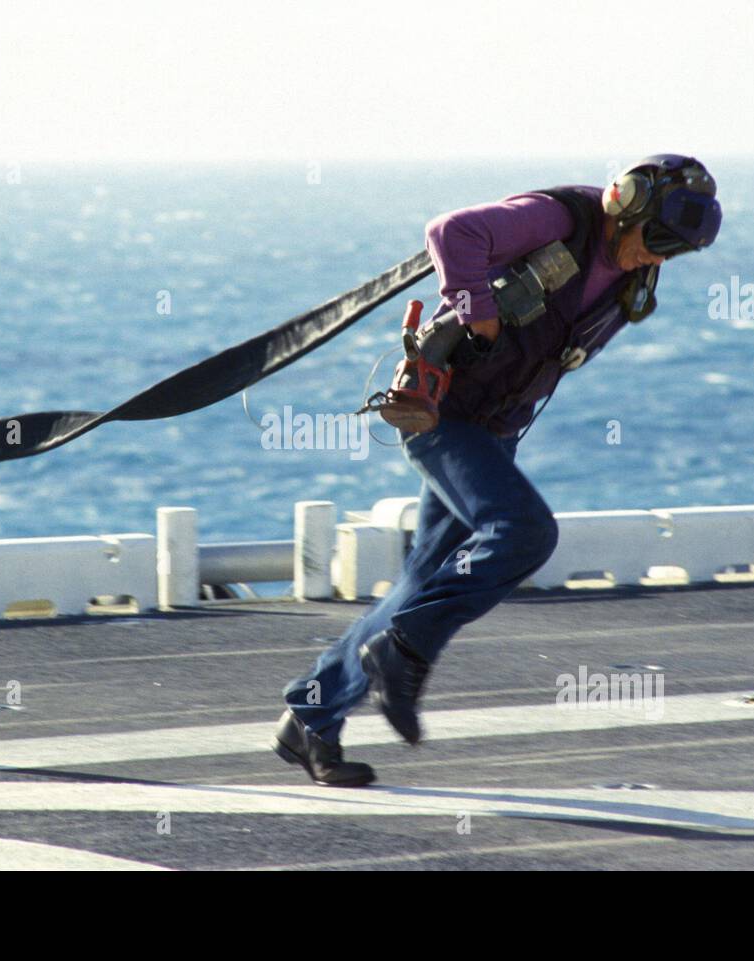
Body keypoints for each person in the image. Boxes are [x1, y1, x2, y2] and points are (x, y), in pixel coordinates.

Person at [272, 155, 723, 786]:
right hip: (441, 416)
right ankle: (402, 654)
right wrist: (474, 305)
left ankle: (312, 716)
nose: (656, 260)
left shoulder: (632, 279)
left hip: (494, 429)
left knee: (418, 585)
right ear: (627, 203)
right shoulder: (560, 218)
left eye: (672, 254)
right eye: (656, 242)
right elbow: (452, 232)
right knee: (524, 532)